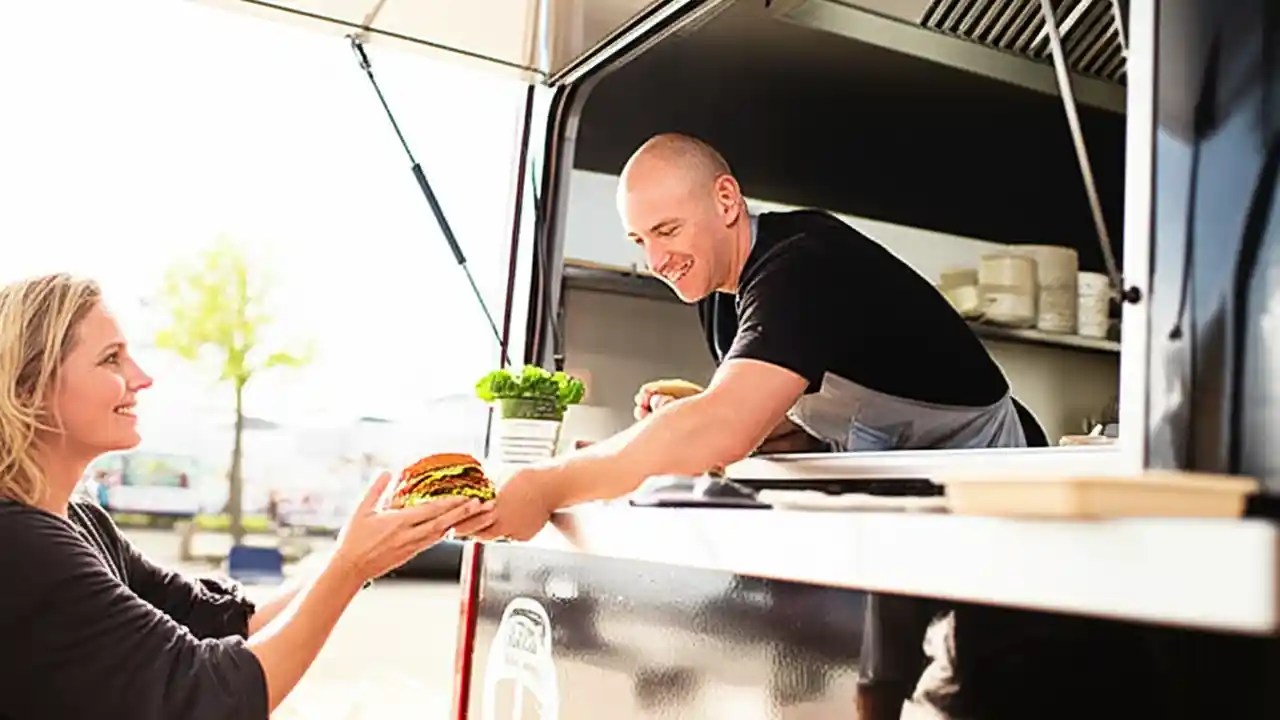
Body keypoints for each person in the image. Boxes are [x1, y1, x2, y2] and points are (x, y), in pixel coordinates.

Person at [453, 132, 1046, 718]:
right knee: (877, 691)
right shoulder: (721, 298)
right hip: (903, 502)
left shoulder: (802, 265)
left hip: (1001, 497)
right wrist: (696, 415)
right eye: (640, 240)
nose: (656, 261)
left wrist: (548, 482)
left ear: (727, 200)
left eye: (667, 231)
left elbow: (724, 429)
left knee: (977, 698)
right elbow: (789, 430)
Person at [0, 273, 494, 719]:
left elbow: (228, 624)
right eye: (111, 359)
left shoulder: (82, 522)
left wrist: (363, 550)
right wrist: (350, 566)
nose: (142, 377)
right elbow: (210, 697)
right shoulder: (20, 544)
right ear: (31, 388)